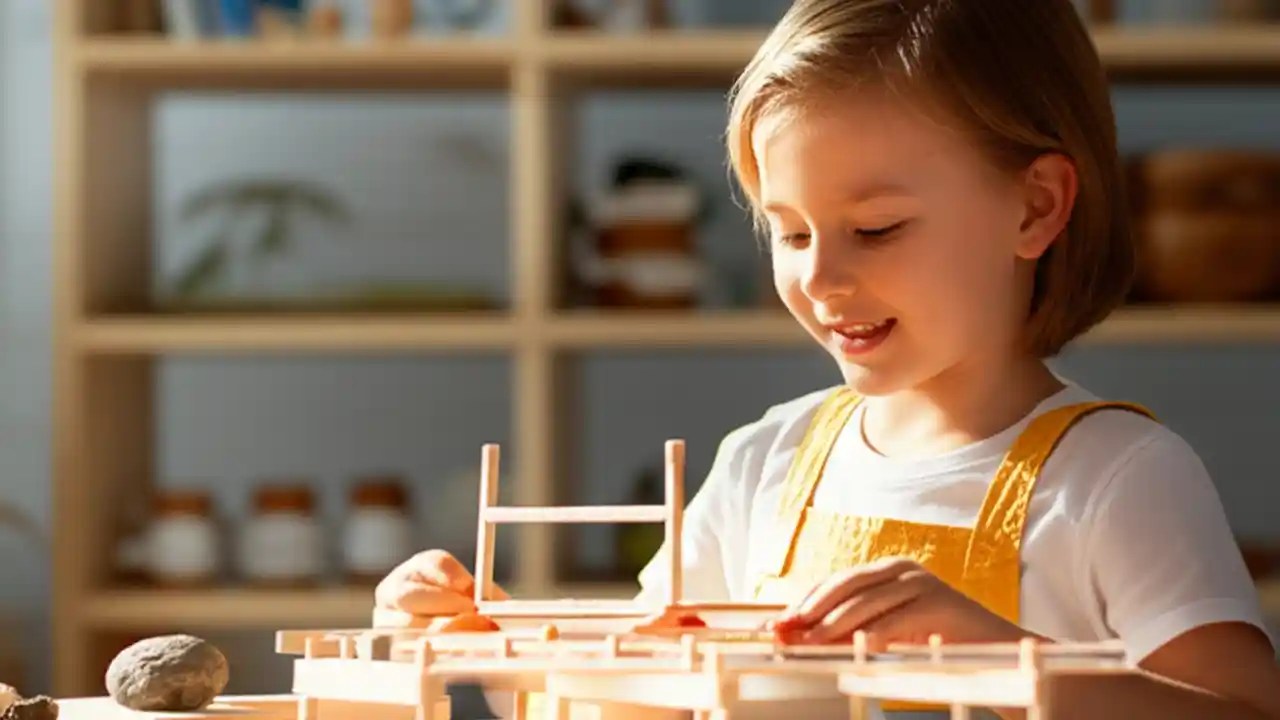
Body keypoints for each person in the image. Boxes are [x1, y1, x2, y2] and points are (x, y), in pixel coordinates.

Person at [374, 1, 1280, 717]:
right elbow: (624, 698)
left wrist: (1006, 664)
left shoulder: (1116, 478)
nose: (822, 276)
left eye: (875, 229)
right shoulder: (762, 465)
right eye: (790, 231)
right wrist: (483, 642)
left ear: (1036, 208)